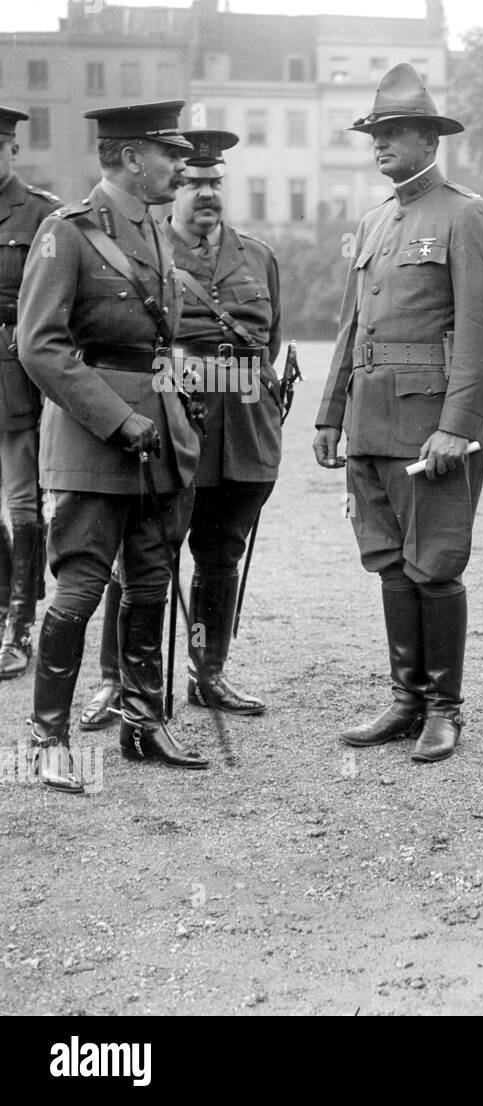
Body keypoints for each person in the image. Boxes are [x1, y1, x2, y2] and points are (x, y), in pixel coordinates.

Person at [313, 63, 483, 764]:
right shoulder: (371, 223)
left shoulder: (466, 215)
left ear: (430, 139)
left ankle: (444, 708)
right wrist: (329, 416)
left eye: (395, 131)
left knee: (435, 566)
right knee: (391, 564)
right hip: (369, 424)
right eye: (375, 131)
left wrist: (458, 425)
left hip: (430, 428)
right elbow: (349, 327)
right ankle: (405, 700)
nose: (380, 143)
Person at [18, 100, 207, 794]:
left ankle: (142, 721)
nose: (183, 167)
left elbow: (160, 343)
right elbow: (40, 346)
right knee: (81, 587)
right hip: (95, 441)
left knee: (151, 579)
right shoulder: (66, 231)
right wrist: (114, 418)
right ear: (132, 157)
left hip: (158, 437)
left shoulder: (156, 232)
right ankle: (46, 742)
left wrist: (178, 411)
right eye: (171, 154)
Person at [165, 129, 282, 713]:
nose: (206, 193)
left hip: (243, 437)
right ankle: (119, 682)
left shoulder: (257, 256)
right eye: (193, 182)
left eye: (215, 182)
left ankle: (206, 674)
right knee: (145, 557)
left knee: (219, 558)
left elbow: (268, 347)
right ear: (172, 188)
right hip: (174, 430)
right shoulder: (148, 253)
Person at [0, 106, 60, 680]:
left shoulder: (43, 215)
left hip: (15, 376)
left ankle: (20, 626)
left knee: (22, 503)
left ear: (13, 149)